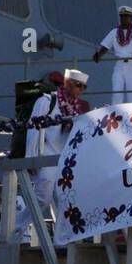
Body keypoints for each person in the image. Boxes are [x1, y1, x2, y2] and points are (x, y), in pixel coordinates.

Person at [16, 68, 90, 240]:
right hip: (47, 155)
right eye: (79, 86)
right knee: (43, 198)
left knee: (65, 200)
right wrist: (32, 159)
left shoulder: (78, 108)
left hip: (65, 159)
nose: (81, 90)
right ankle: (17, 228)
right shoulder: (48, 101)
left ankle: (62, 237)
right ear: (68, 84)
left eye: (84, 87)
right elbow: (34, 129)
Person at [93, 5, 132, 105]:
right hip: (119, 64)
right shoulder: (114, 32)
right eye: (122, 16)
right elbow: (105, 46)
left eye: (126, 16)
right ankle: (116, 116)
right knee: (116, 92)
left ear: (131, 18)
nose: (123, 18)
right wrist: (98, 55)